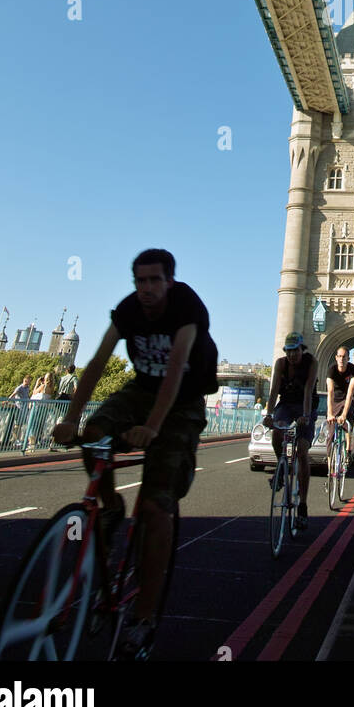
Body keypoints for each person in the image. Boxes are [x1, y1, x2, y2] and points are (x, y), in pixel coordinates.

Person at [53, 248, 217, 659]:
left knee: (158, 505)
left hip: (183, 402)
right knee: (93, 434)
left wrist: (152, 428)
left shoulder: (186, 307)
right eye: (140, 281)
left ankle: (143, 619)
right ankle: (109, 506)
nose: (146, 289)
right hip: (141, 390)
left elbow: (178, 366)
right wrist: (71, 418)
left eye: (154, 281)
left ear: (170, 282)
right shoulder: (128, 309)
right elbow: (95, 362)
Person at [264, 333, 317, 528]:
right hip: (286, 403)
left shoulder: (311, 363)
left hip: (305, 405)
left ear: (302, 349)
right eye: (289, 351)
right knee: (277, 431)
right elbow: (274, 390)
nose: (292, 355)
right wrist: (269, 414)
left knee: (302, 450)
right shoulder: (281, 364)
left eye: (295, 350)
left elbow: (308, 391)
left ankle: (302, 505)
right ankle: (280, 468)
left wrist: (305, 415)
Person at [325, 346, 354, 461]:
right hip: (336, 397)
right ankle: (330, 468)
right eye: (339, 356)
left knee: (347, 422)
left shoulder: (352, 370)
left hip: (348, 397)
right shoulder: (331, 369)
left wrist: (344, 415)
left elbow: (350, 393)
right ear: (336, 358)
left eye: (344, 357)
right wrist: (330, 414)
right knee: (331, 433)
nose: (341, 359)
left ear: (348, 358)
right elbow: (330, 392)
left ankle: (347, 451)